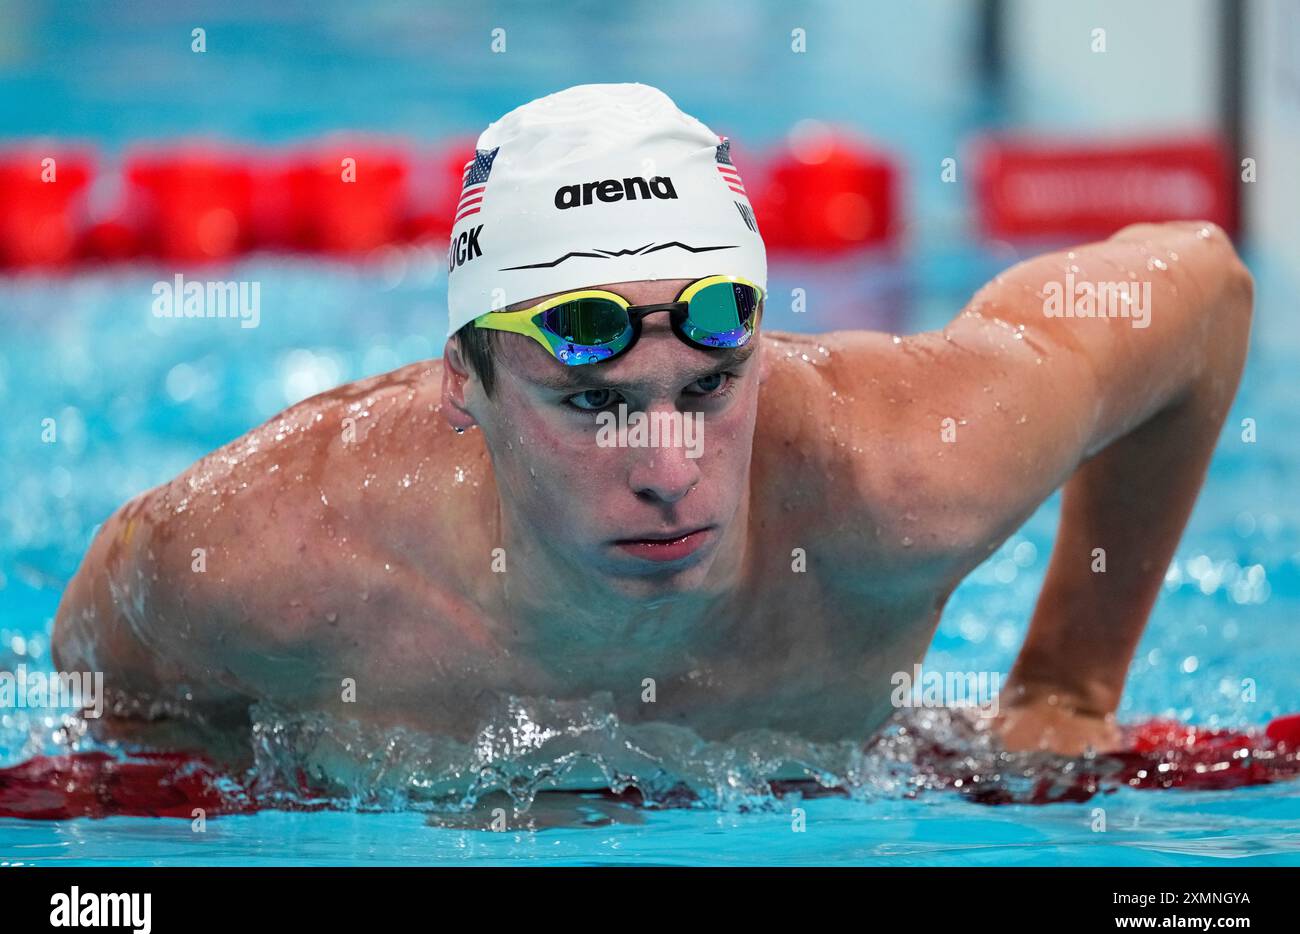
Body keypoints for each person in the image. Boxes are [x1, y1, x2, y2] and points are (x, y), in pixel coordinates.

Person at [52, 83, 1253, 768]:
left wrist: (1067, 689)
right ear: (459, 383)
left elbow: (1200, 287)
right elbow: (97, 668)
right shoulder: (275, 555)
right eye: (592, 403)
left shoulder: (901, 478)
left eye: (710, 387)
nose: (673, 473)